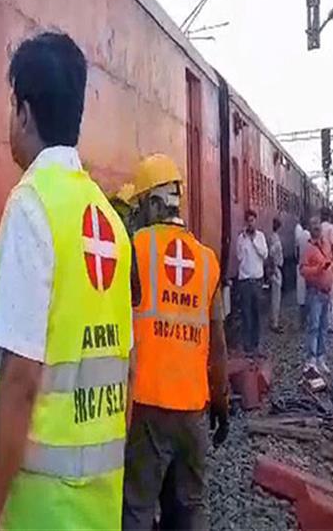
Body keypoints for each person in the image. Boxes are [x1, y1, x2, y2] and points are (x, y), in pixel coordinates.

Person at [0, 32, 133, 531]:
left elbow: (20, 379)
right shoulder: (107, 219)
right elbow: (127, 373)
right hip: (99, 506)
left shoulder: (32, 207)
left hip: (41, 510)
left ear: (23, 112)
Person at [122, 153, 229, 531]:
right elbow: (218, 345)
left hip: (146, 407)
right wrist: (221, 400)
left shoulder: (135, 250)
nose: (136, 216)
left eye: (138, 207)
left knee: (136, 507)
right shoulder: (207, 260)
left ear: (153, 203)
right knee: (190, 509)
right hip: (193, 411)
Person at [300, 216, 333, 374]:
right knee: (314, 327)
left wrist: (332, 273)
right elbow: (303, 270)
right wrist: (318, 269)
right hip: (315, 292)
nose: (317, 228)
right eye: (314, 226)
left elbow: (331, 260)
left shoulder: (325, 245)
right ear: (310, 229)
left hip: (326, 292)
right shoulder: (308, 249)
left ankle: (321, 358)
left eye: (318, 225)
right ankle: (311, 360)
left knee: (323, 327)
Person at [236, 209, 268, 356]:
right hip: (245, 280)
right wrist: (244, 239)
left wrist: (254, 241)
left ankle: (256, 344)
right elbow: (239, 256)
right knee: (246, 314)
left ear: (255, 221)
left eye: (252, 221)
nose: (250, 224)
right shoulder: (240, 238)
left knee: (257, 314)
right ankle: (247, 346)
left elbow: (264, 254)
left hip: (257, 280)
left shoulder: (260, 236)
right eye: (248, 221)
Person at [320, 207, 333, 334]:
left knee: (320, 296)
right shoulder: (330, 228)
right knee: (331, 297)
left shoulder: (317, 228)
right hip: (329, 266)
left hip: (319, 266)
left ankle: (322, 322)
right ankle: (330, 324)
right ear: (329, 217)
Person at [269, 217, 284, 333]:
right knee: (276, 298)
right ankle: (274, 323)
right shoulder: (275, 238)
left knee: (276, 297)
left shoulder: (273, 237)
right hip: (276, 269)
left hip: (276, 268)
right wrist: (274, 268)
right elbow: (272, 253)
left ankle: (275, 321)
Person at [295, 216, 310, 326]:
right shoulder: (309, 236)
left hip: (301, 266)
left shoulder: (300, 237)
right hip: (309, 267)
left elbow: (297, 251)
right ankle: (308, 320)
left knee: (301, 296)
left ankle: (301, 321)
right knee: (308, 294)